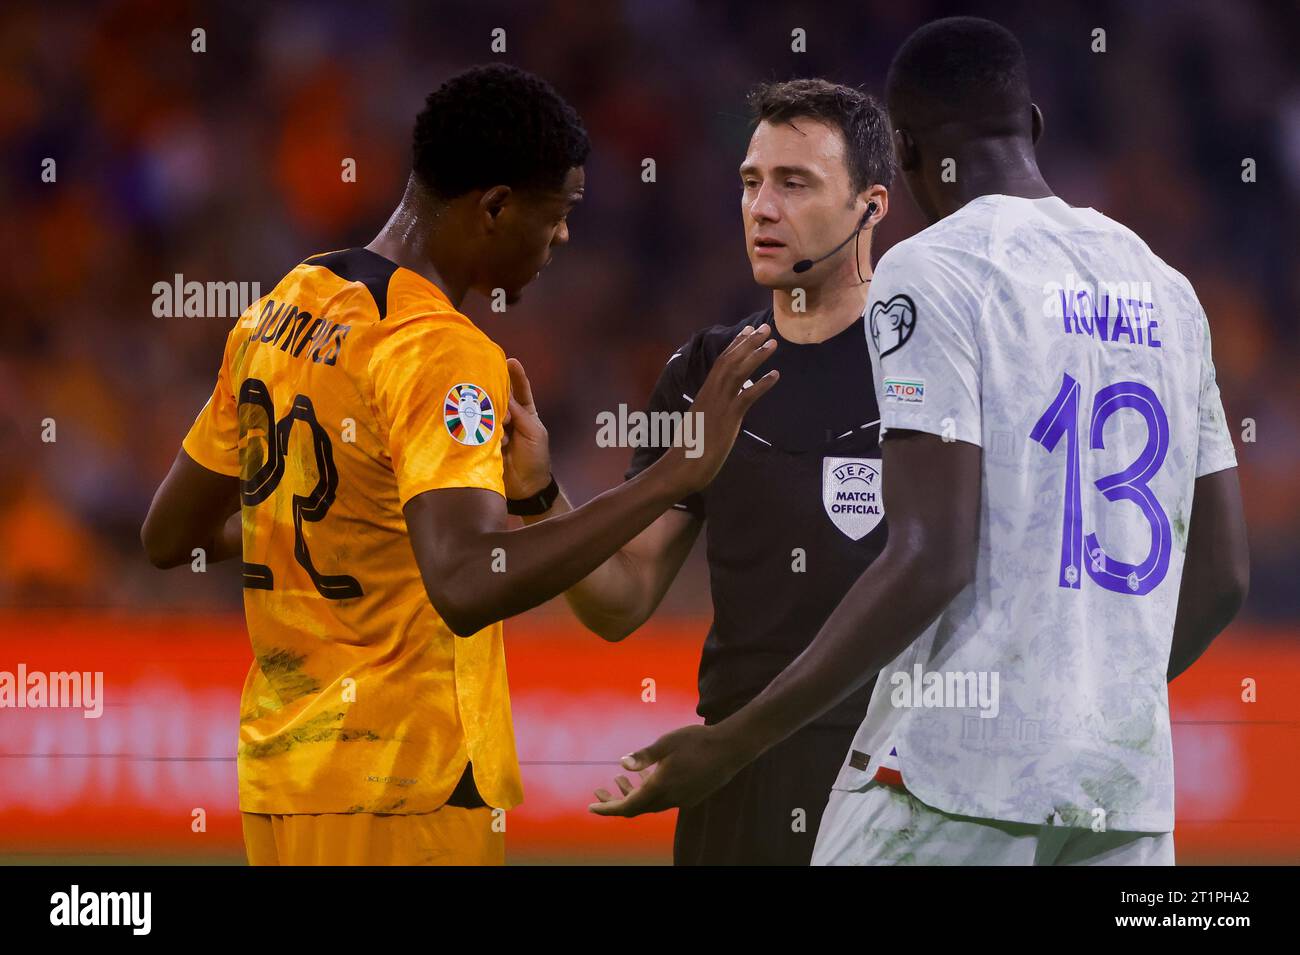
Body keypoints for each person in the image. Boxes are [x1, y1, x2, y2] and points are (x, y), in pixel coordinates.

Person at [589, 17, 1249, 867]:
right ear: (1034, 126)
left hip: (953, 782)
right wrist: (1092, 700)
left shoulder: (933, 268)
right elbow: (1224, 573)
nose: (762, 205)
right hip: (1121, 792)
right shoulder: (1170, 290)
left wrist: (730, 741)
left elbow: (931, 555)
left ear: (899, 153)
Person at [140, 63, 777, 865]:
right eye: (560, 213)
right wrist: (673, 476)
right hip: (404, 781)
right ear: (497, 206)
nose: (564, 237)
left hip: (283, 779)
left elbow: (169, 532)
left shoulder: (284, 306)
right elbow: (469, 583)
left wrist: (344, 522)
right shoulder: (441, 350)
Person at [506, 79, 892, 864]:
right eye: (751, 182)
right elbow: (620, 600)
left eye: (795, 183)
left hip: (892, 780)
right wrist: (538, 491)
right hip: (733, 775)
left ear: (871, 207)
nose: (762, 208)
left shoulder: (928, 364)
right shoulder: (704, 369)